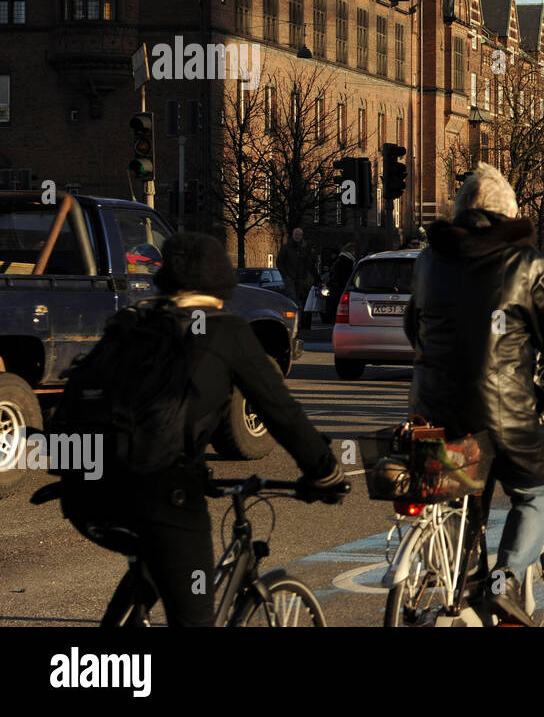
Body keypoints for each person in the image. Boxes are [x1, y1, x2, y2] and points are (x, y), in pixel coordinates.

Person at [58, 232, 346, 626]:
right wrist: (324, 471)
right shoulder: (225, 330)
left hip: (83, 492)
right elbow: (281, 412)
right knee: (193, 609)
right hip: (160, 493)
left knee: (151, 564)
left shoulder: (132, 320)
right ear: (222, 283)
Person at [404, 162, 544, 626]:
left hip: (432, 410)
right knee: (538, 491)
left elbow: (413, 328)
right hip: (503, 413)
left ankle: (451, 585)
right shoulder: (526, 264)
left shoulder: (428, 260)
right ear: (507, 214)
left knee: (458, 489)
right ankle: (504, 581)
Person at [275, 227, 318, 311]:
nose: (298, 236)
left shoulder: (306, 248)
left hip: (302, 278)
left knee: (302, 300)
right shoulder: (286, 247)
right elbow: (279, 262)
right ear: (293, 235)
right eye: (296, 234)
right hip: (290, 278)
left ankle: (300, 320)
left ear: (302, 236)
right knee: (293, 299)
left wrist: (312, 276)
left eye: (299, 235)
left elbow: (310, 263)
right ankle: (295, 318)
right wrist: (285, 275)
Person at [326, 242, 358, 323]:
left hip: (336, 285)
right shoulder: (347, 261)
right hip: (341, 286)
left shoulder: (340, 259)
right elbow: (346, 275)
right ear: (351, 251)